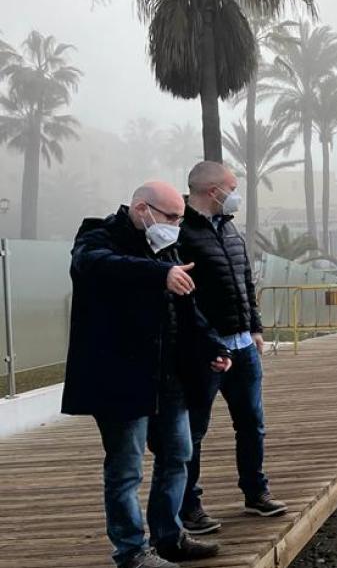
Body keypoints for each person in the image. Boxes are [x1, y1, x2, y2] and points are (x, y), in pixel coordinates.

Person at [62, 182, 233, 568]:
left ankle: (168, 536)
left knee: (178, 455)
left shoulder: (166, 249)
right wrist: (159, 274)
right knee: (126, 468)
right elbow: (96, 265)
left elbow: (187, 311)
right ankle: (131, 552)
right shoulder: (98, 236)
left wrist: (213, 346)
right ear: (143, 209)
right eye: (171, 217)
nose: (175, 225)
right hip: (121, 378)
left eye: (179, 218)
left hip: (168, 377)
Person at [177, 161, 286, 535]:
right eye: (232, 187)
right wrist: (207, 341)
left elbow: (244, 281)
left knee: (252, 424)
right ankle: (189, 507)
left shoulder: (229, 229)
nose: (235, 194)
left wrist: (254, 326)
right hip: (206, 350)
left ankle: (256, 493)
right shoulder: (181, 232)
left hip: (242, 344)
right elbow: (183, 300)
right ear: (213, 191)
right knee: (194, 431)